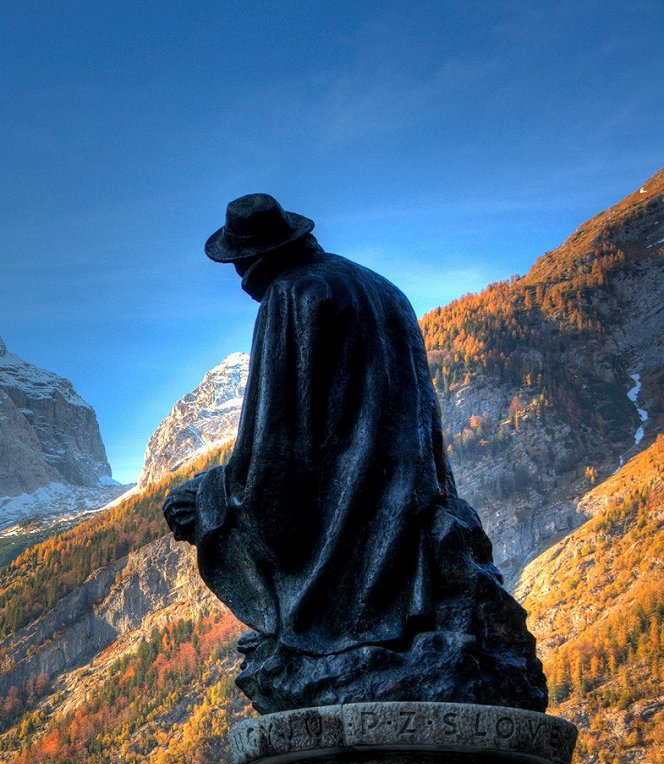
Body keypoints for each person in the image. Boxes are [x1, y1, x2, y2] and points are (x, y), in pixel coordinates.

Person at [163, 194, 546, 714]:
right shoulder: (383, 289)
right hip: (410, 493)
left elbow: (278, 436)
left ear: (258, 258)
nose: (241, 279)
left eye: (239, 264)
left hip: (346, 510)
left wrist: (215, 495)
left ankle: (322, 631)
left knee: (197, 509)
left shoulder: (292, 294)